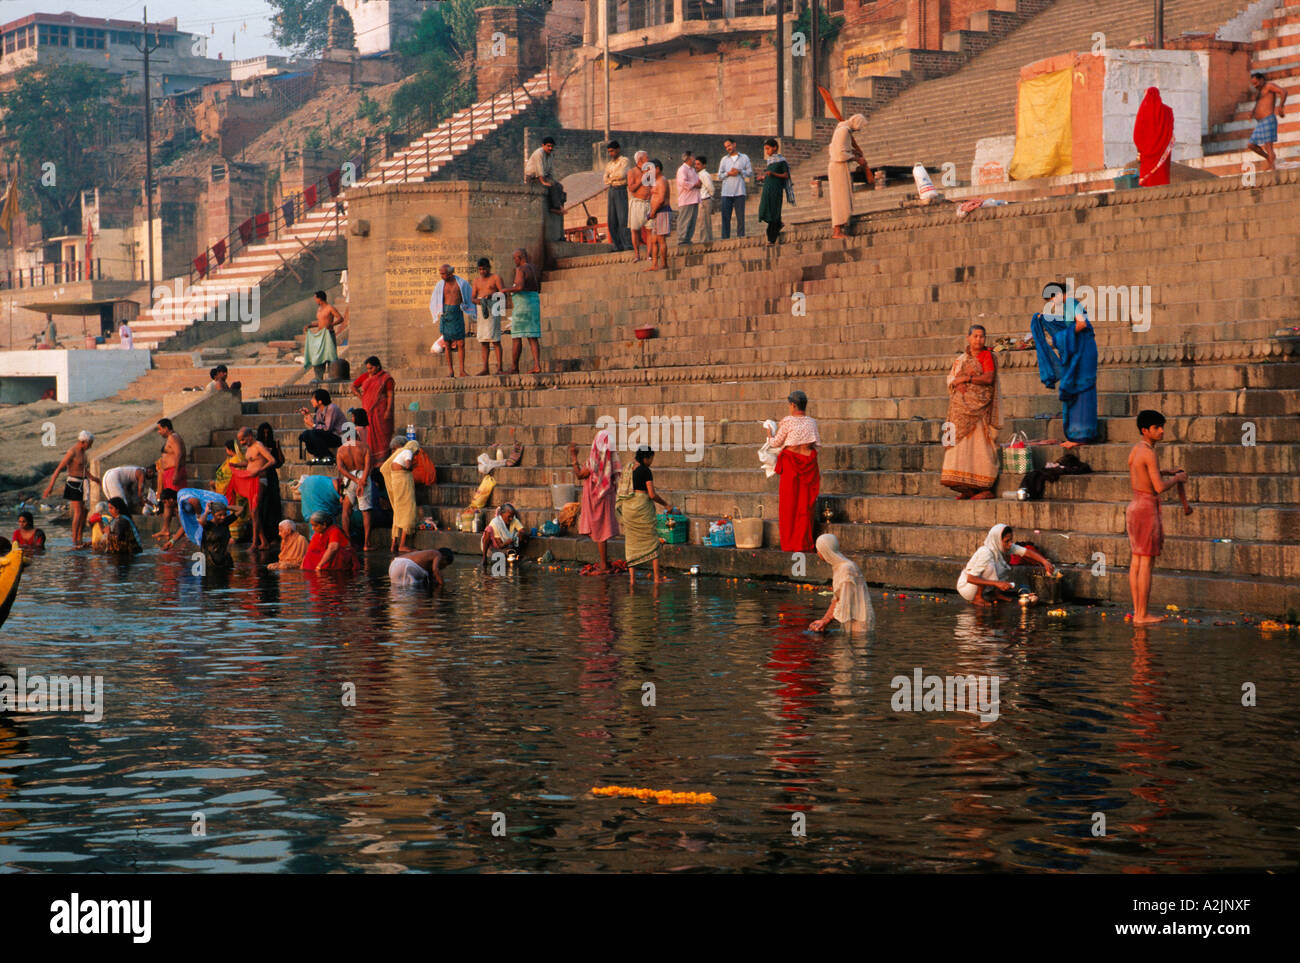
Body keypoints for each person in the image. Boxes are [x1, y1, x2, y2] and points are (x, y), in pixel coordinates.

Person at [1126, 410, 1191, 625]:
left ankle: (1138, 613)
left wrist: (1165, 470)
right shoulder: (1149, 453)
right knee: (1146, 563)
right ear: (1145, 430)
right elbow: (1159, 488)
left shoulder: (1137, 449)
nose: (1162, 431)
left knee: (1136, 561)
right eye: (1156, 428)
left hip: (1134, 507)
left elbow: (1143, 471)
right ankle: (1142, 615)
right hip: (1146, 509)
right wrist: (1178, 478)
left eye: (1162, 426)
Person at [1031, 281, 1098, 449]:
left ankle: (1080, 435)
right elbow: (1069, 325)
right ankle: (1080, 434)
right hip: (1083, 350)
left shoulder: (1071, 303)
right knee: (1078, 390)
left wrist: (1058, 338)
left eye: (1051, 300)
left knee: (1080, 391)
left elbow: (1081, 324)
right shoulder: (1071, 304)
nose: (1052, 304)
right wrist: (1046, 320)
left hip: (1084, 352)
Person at [941, 324, 1001, 499]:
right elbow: (951, 379)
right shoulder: (961, 359)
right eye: (975, 336)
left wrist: (967, 379)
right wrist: (957, 384)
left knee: (979, 446)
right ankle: (967, 488)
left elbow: (989, 378)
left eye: (982, 336)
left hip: (979, 409)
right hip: (959, 411)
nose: (979, 340)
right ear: (968, 338)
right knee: (958, 448)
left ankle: (984, 488)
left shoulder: (987, 356)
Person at [767, 391, 821, 552]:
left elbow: (776, 443)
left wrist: (769, 434)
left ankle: (790, 544)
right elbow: (817, 445)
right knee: (805, 506)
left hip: (791, 466)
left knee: (789, 505)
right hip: (808, 465)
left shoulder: (788, 421)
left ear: (792, 405)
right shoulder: (812, 423)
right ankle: (803, 543)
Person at [615, 445, 674, 585]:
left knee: (630, 543)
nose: (652, 461)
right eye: (651, 458)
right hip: (642, 508)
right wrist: (666, 505)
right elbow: (652, 494)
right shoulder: (646, 471)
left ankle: (632, 579)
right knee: (653, 541)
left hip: (628, 508)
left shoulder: (628, 468)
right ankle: (656, 578)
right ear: (646, 458)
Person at [957, 524, 1055, 606]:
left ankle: (994, 594)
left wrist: (1044, 562)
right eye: (1007, 541)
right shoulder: (985, 552)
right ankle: (978, 598)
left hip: (979, 587)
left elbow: (1027, 552)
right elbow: (970, 578)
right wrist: (997, 583)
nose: (1010, 544)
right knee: (990, 567)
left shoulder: (1002, 547)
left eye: (1011, 540)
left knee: (1004, 562)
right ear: (997, 540)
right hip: (967, 588)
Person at [570, 430, 621, 573]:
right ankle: (604, 562)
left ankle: (604, 564)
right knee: (603, 530)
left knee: (600, 533)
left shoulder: (594, 462)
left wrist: (574, 457)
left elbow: (580, 474)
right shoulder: (610, 460)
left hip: (596, 499)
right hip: (607, 496)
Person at [808, 533, 874, 634]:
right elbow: (837, 599)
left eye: (818, 550)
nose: (817, 553)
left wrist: (826, 621)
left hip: (860, 624)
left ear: (824, 551)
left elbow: (844, 602)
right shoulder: (840, 567)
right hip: (853, 621)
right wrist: (823, 620)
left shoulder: (846, 569)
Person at [42, 430, 98, 548]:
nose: (91, 446)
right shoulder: (72, 452)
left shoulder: (83, 452)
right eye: (90, 443)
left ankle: (80, 538)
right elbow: (58, 469)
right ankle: (74, 540)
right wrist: (50, 487)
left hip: (82, 483)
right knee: (77, 511)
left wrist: (93, 478)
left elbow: (83, 469)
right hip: (73, 483)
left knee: (83, 512)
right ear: (84, 441)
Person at [226, 426, 276, 550]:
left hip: (259, 480)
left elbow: (272, 460)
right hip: (250, 480)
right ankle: (263, 542)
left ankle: (255, 543)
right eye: (240, 441)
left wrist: (259, 470)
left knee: (254, 511)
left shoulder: (259, 445)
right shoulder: (249, 449)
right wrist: (237, 465)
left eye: (243, 440)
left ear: (250, 436)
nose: (242, 443)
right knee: (254, 513)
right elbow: (250, 463)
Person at [337, 408, 374, 550]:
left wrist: (354, 479)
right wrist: (362, 480)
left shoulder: (341, 449)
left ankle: (348, 542)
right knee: (366, 511)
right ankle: (366, 543)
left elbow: (341, 469)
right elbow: (367, 466)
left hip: (349, 480)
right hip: (362, 478)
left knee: (346, 510)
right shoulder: (364, 446)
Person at [501, 248, 542, 374]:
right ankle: (537, 365)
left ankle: (514, 367)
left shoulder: (520, 269)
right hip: (534, 303)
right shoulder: (533, 268)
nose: (514, 261)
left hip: (523, 306)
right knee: (532, 336)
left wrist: (505, 290)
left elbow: (520, 287)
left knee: (516, 336)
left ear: (520, 257)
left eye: (515, 258)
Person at [429, 263, 474, 378]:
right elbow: (434, 299)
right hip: (446, 315)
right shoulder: (440, 285)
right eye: (441, 273)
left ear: (450, 273)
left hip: (457, 313)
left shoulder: (462, 283)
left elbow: (470, 295)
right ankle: (450, 371)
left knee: (461, 343)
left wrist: (469, 308)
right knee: (447, 344)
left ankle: (462, 370)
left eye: (443, 273)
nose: (441, 276)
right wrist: (438, 312)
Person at [828, 114, 868, 238]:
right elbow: (840, 154)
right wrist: (856, 159)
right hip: (838, 167)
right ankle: (837, 230)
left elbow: (842, 148)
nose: (859, 130)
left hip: (839, 167)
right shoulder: (844, 131)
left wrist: (853, 151)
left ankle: (841, 227)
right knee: (840, 198)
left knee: (842, 197)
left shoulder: (841, 129)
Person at [350, 356, 396, 455]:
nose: (369, 371)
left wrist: (388, 410)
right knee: (369, 433)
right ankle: (370, 457)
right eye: (368, 369)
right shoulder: (365, 376)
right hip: (367, 410)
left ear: (378, 366)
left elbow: (390, 395)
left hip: (382, 410)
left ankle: (382, 458)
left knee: (382, 434)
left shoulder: (386, 378)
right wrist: (361, 396)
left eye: (371, 368)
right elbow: (353, 386)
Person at [380, 440, 419, 553]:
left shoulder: (400, 452)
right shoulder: (408, 452)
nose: (416, 454)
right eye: (417, 451)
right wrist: (411, 467)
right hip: (403, 482)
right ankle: (402, 545)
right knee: (408, 511)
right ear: (414, 448)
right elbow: (407, 465)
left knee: (398, 512)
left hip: (396, 481)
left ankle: (393, 544)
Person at [154, 419, 187, 546]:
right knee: (167, 502)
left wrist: (176, 472)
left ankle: (184, 529)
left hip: (174, 472)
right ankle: (165, 529)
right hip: (168, 473)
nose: (159, 432)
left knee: (177, 503)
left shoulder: (174, 437)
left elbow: (179, 454)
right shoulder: (170, 438)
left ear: (166, 428)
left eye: (160, 429)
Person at [470, 260, 506, 375]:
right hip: (482, 310)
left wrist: (491, 296)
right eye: (480, 269)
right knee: (483, 341)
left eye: (484, 269)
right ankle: (485, 368)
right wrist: (480, 302)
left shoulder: (495, 278)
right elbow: (472, 298)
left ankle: (500, 368)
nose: (482, 271)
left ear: (489, 268)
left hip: (494, 308)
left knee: (495, 339)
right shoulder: (476, 281)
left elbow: (503, 293)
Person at [1133, 87, 1174, 187]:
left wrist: (1141, 149)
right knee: (1161, 176)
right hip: (1162, 153)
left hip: (1147, 155)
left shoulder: (1143, 111)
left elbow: (1137, 134)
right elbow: (1170, 129)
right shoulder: (1167, 111)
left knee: (1148, 182)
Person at [1247, 72, 1287, 171]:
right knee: (1251, 144)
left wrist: (1281, 106)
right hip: (1260, 123)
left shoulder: (1269, 86)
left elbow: (1283, 91)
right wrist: (1253, 112)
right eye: (1253, 84)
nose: (1255, 86)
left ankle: (1273, 168)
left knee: (1268, 146)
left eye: (1256, 83)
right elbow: (1259, 104)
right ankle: (1269, 159)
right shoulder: (1259, 92)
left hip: (1268, 119)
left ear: (1261, 80)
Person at [254, 422, 286, 546]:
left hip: (272, 477)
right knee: (262, 508)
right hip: (261, 477)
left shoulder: (273, 444)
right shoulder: (258, 446)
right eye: (264, 433)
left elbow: (280, 462)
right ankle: (262, 538)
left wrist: (277, 448)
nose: (266, 435)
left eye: (268, 433)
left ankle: (274, 536)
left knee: (274, 506)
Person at [717, 138, 753, 239]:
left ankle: (740, 237)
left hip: (739, 191)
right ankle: (725, 238)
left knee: (740, 217)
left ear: (734, 144)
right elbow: (719, 176)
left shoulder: (744, 157)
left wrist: (740, 171)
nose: (728, 148)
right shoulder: (724, 159)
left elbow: (749, 173)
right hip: (726, 192)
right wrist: (728, 173)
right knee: (725, 217)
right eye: (726, 147)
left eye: (729, 145)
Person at [299, 388, 347, 463]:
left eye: (313, 399)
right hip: (329, 435)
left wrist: (312, 424)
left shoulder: (332, 408)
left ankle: (328, 456)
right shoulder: (319, 410)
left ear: (320, 401)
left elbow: (327, 428)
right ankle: (318, 456)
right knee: (305, 434)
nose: (311, 401)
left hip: (340, 437)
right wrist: (307, 415)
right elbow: (317, 425)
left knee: (313, 433)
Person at [757, 138, 790, 245]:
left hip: (776, 189)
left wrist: (773, 174)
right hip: (768, 189)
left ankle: (771, 238)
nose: (767, 152)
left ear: (775, 147)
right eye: (766, 149)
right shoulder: (770, 161)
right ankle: (778, 224)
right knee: (764, 209)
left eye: (768, 149)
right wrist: (763, 177)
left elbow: (785, 175)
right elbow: (769, 175)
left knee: (774, 212)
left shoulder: (781, 161)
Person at [304, 290, 342, 381]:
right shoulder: (319, 309)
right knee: (318, 356)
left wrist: (331, 324)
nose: (315, 301)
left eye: (315, 299)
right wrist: (311, 325)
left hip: (328, 334)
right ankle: (318, 377)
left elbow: (340, 318)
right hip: (320, 335)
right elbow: (321, 322)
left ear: (320, 299)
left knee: (330, 356)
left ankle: (331, 377)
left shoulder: (330, 308)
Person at [199, 500, 242, 571]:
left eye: (225, 514)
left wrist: (225, 507)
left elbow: (240, 509)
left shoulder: (225, 522)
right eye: (219, 515)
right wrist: (206, 512)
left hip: (225, 561)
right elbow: (201, 521)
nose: (223, 517)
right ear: (213, 514)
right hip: (210, 563)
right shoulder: (208, 525)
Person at [604, 140, 631, 252]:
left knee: (622, 219)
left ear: (618, 149)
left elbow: (622, 174)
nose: (611, 154)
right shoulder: (609, 164)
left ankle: (627, 245)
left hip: (621, 190)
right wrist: (612, 178)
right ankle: (617, 245)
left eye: (612, 151)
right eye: (609, 152)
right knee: (612, 220)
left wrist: (612, 177)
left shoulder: (624, 161)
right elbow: (605, 179)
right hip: (611, 191)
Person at [627, 150, 652, 262]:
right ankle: (637, 255)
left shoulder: (650, 171)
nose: (649, 159)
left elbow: (652, 186)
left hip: (648, 203)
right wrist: (642, 180)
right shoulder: (632, 172)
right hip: (637, 203)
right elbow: (631, 188)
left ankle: (649, 255)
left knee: (650, 230)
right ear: (641, 159)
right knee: (635, 230)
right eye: (647, 157)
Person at [645, 159, 670, 272]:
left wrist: (653, 212)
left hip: (662, 212)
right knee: (654, 240)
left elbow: (661, 199)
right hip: (655, 213)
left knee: (660, 239)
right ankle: (654, 264)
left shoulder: (662, 180)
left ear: (658, 169)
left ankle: (664, 264)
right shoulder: (655, 181)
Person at [390, 547, 455, 588]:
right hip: (404, 565)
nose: (444, 567)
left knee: (398, 590)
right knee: (406, 591)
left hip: (394, 564)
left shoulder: (427, 558)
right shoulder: (437, 554)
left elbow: (431, 578)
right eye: (445, 565)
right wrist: (442, 585)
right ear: (444, 557)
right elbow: (435, 570)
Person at [675, 151, 700, 245]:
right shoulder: (682, 169)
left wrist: (698, 184)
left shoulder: (692, 170)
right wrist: (694, 184)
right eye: (693, 156)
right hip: (686, 199)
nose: (694, 158)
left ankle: (688, 239)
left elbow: (697, 181)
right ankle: (682, 240)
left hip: (694, 198)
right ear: (689, 158)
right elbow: (683, 183)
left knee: (692, 221)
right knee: (684, 220)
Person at [693, 155, 714, 243]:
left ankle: (705, 241)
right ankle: (707, 240)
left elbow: (711, 188)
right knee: (704, 222)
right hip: (703, 200)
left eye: (698, 164)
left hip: (705, 199)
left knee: (704, 223)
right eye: (695, 164)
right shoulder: (699, 175)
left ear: (704, 165)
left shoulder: (704, 174)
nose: (696, 166)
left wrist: (710, 198)